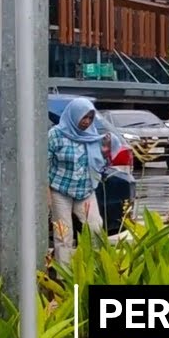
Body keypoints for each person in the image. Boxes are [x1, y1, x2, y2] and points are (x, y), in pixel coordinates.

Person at [48, 98, 114, 263]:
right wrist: (46, 194)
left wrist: (105, 154)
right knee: (63, 234)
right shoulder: (55, 134)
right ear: (73, 115)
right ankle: (65, 276)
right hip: (60, 190)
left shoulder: (91, 135)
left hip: (85, 190)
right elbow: (43, 164)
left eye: (90, 118)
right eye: (83, 117)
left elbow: (99, 165)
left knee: (95, 228)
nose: (86, 122)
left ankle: (95, 268)